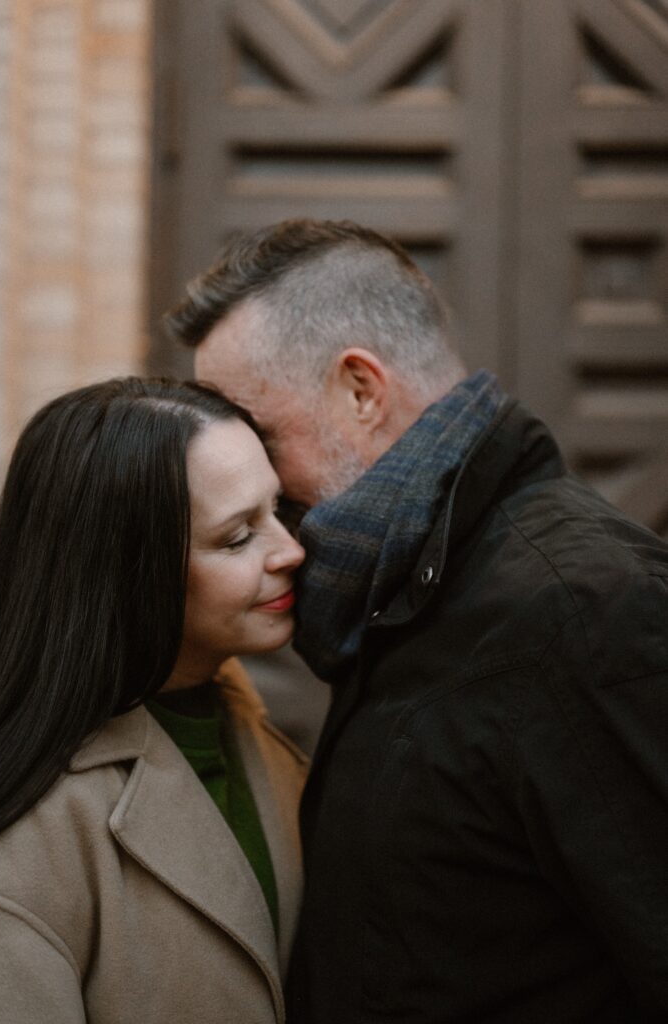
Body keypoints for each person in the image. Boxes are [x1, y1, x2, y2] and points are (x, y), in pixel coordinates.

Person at [164, 218, 668, 1023]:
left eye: (259, 433)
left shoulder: (588, 611)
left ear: (360, 391)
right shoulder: (394, 589)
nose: (254, 475)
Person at [0, 377, 307, 1024]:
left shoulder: (247, 723)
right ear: (129, 570)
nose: (291, 550)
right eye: (237, 537)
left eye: (278, 510)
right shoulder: (25, 839)